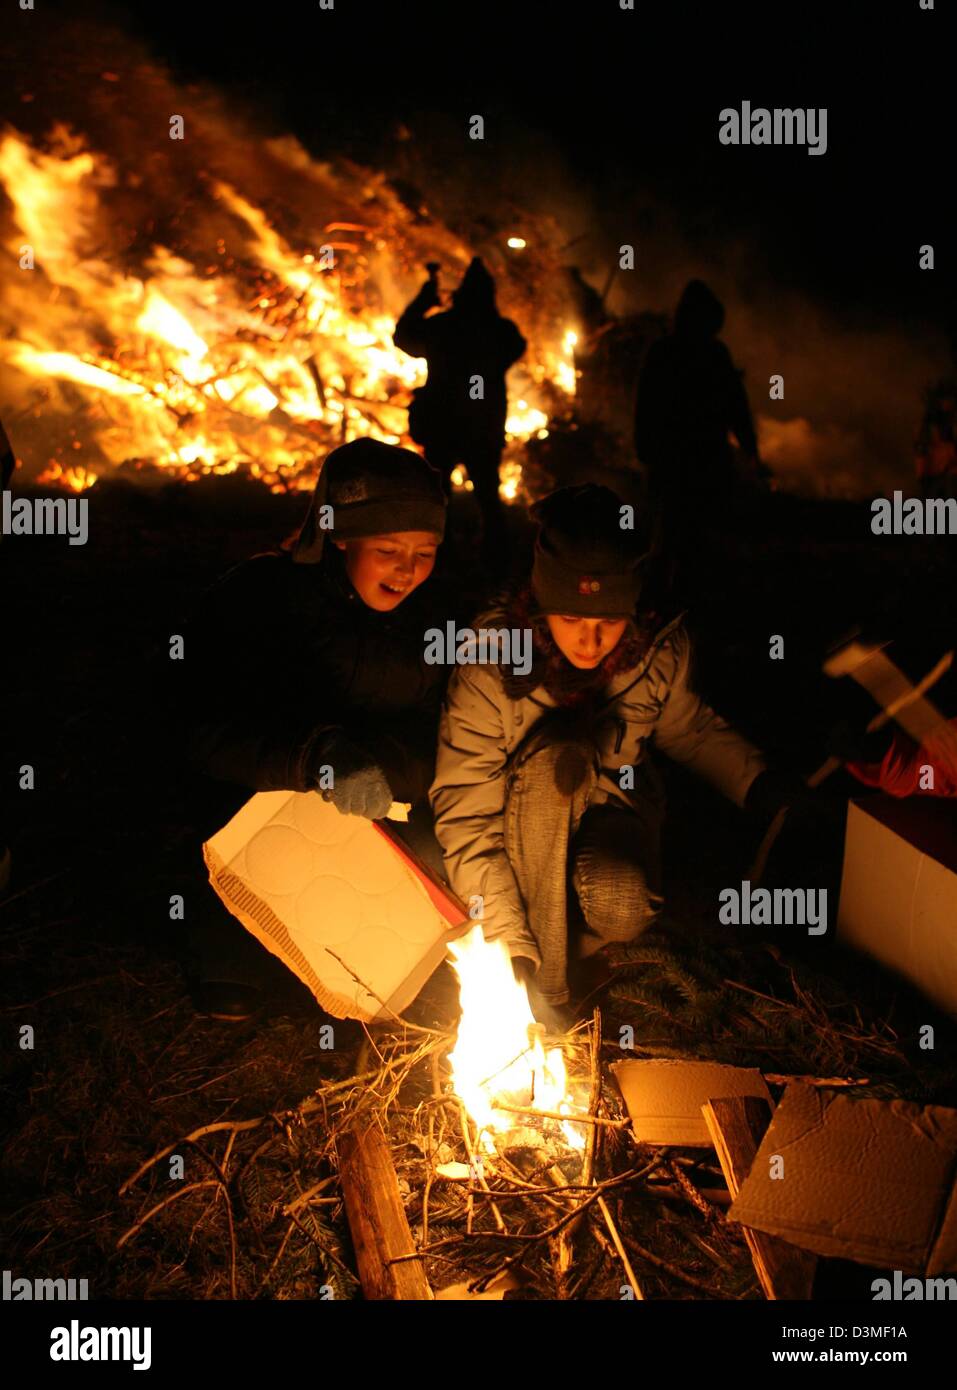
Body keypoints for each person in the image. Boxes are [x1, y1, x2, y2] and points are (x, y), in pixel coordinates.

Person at [430, 484, 787, 1021]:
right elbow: (467, 811)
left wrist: (758, 783)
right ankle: (547, 991)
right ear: (543, 600)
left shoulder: (655, 651)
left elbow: (686, 728)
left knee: (622, 902)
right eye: (571, 619)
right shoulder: (492, 663)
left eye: (609, 621)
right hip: (514, 828)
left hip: (608, 806)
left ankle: (572, 938)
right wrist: (509, 952)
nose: (590, 642)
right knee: (557, 764)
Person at [179, 439, 456, 1020]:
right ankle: (232, 952)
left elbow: (448, 736)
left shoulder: (436, 623)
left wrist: (386, 766)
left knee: (435, 865)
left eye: (425, 552)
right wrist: (314, 758)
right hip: (268, 803)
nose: (408, 569)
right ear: (339, 535)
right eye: (388, 549)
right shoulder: (260, 601)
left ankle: (367, 969)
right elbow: (200, 730)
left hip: (380, 811)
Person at [394, 257, 526, 567]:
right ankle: (496, 560)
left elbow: (403, 336)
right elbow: (514, 347)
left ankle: (439, 558)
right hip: (482, 424)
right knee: (487, 495)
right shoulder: (501, 332)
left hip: (444, 422)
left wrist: (424, 299)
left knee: (439, 495)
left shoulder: (441, 327)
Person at [634, 280, 761, 590]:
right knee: (682, 535)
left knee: (682, 535)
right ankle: (676, 599)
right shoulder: (705, 353)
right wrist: (750, 449)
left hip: (687, 461)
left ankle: (679, 598)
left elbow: (645, 406)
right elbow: (736, 407)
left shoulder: (668, 352)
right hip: (692, 460)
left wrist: (645, 451)